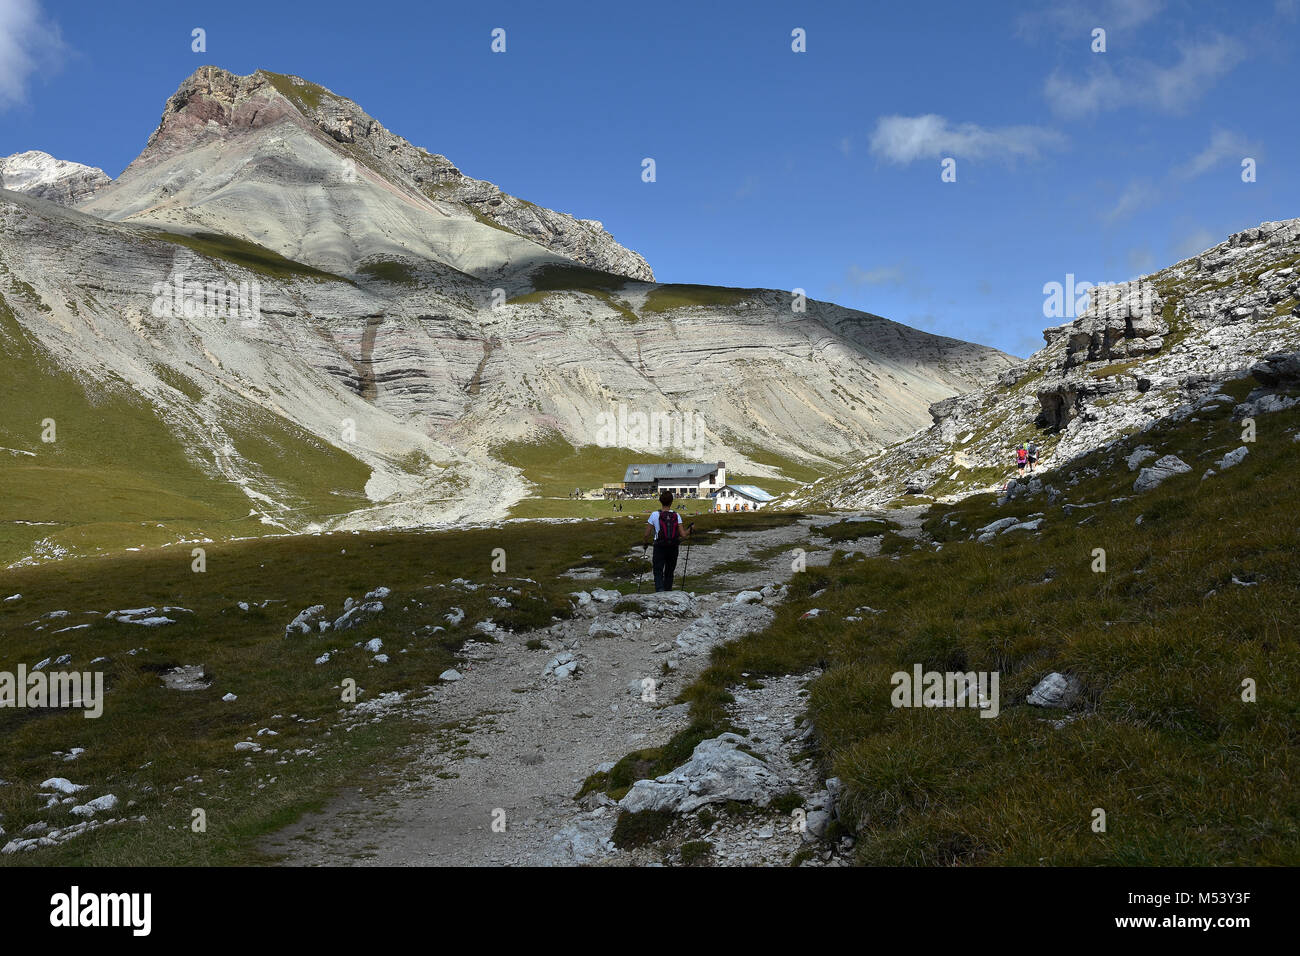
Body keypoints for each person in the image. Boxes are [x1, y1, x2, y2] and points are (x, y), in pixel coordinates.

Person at [642, 490, 692, 592]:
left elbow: (646, 534)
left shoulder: (654, 514)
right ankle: (668, 590)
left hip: (659, 546)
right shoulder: (676, 515)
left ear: (660, 501)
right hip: (673, 546)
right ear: (671, 502)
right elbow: (683, 535)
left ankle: (659, 590)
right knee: (669, 570)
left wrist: (645, 543)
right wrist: (690, 529)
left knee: (658, 570)